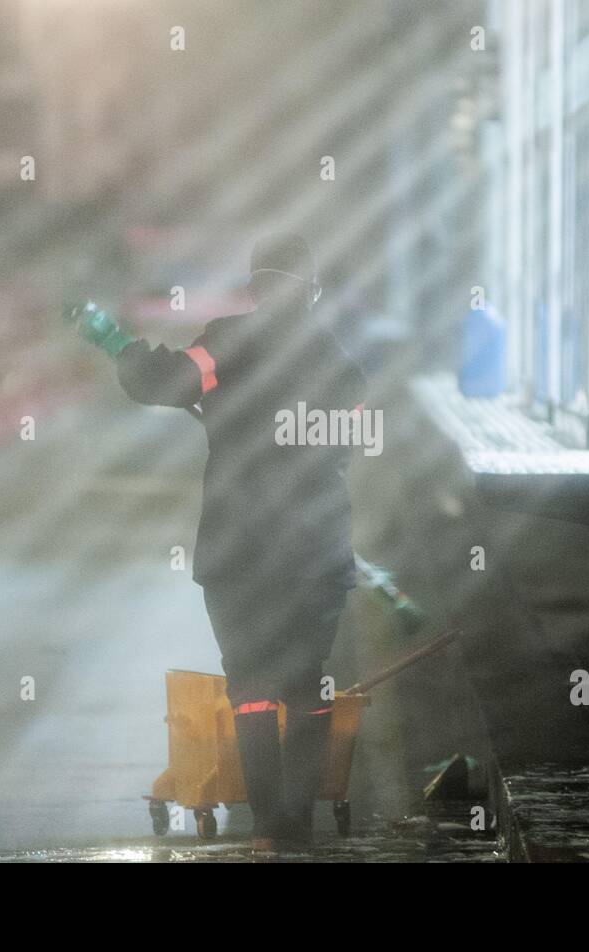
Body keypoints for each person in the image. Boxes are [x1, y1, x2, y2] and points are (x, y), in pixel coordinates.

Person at [76, 234, 366, 850]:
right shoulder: (343, 364)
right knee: (308, 681)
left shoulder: (228, 341)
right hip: (316, 548)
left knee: (252, 686)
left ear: (254, 290)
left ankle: (270, 827)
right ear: (311, 291)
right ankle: (300, 829)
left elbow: (167, 384)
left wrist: (121, 348)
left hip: (241, 549)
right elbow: (348, 447)